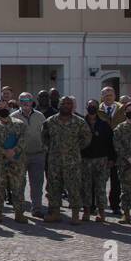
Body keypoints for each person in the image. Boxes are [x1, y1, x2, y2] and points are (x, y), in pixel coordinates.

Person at [41, 96, 91, 224]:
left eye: (69, 103)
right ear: (59, 105)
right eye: (63, 103)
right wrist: (51, 148)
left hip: (72, 161)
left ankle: (75, 214)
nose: (66, 105)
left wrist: (75, 148)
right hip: (54, 161)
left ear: (72, 106)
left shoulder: (79, 122)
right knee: (53, 187)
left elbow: (86, 138)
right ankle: (55, 213)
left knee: (74, 187)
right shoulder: (50, 121)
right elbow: (44, 137)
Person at [0, 103, 27, 224]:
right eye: (0, 107)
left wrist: (14, 151)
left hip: (16, 161)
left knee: (18, 187)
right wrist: (4, 152)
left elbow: (23, 140)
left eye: (5, 107)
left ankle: (19, 213)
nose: (3, 109)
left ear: (9, 109)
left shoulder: (19, 124)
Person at [11, 93, 47, 218]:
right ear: (19, 102)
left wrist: (45, 148)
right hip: (20, 156)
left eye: (28, 100)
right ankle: (19, 209)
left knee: (37, 183)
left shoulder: (40, 116)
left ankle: (37, 208)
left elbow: (46, 134)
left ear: (32, 102)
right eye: (22, 100)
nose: (25, 102)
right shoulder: (13, 116)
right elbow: (10, 136)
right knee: (19, 184)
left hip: (37, 154)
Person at [79, 100, 113, 223]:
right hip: (85, 159)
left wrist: (111, 158)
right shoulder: (81, 123)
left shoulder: (104, 124)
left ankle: (101, 212)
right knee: (85, 186)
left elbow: (110, 142)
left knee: (101, 187)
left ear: (97, 108)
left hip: (101, 159)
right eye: (90, 106)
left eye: (94, 106)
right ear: (86, 107)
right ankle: (87, 211)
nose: (91, 108)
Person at [97, 86, 126, 212]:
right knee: (100, 180)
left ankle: (115, 205)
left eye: (110, 94)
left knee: (116, 180)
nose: (108, 97)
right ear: (102, 97)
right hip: (102, 150)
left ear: (115, 96)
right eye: (105, 95)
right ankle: (100, 205)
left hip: (118, 149)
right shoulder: (97, 110)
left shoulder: (123, 109)